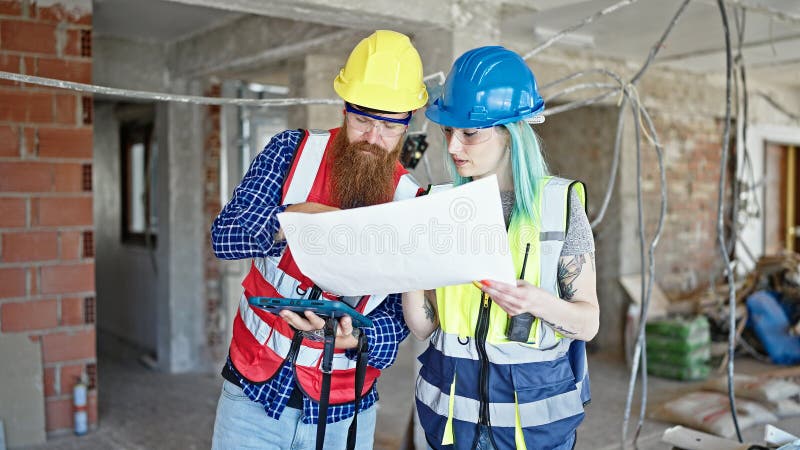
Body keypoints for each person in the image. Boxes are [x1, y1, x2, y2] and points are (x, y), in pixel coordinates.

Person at [210, 30, 428, 450]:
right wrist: (292, 219)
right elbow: (225, 238)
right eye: (362, 120)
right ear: (345, 108)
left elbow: (401, 319)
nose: (373, 138)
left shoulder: (410, 202)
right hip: (252, 393)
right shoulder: (290, 153)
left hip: (344, 410)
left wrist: (358, 338)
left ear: (408, 124)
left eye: (389, 126)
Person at [402, 46, 599, 450]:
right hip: (452, 424)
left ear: (511, 132)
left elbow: (588, 322)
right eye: (448, 131)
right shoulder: (437, 205)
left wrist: (536, 302)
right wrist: (409, 263)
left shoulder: (559, 206)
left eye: (470, 133)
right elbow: (423, 326)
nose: (453, 147)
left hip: (534, 428)